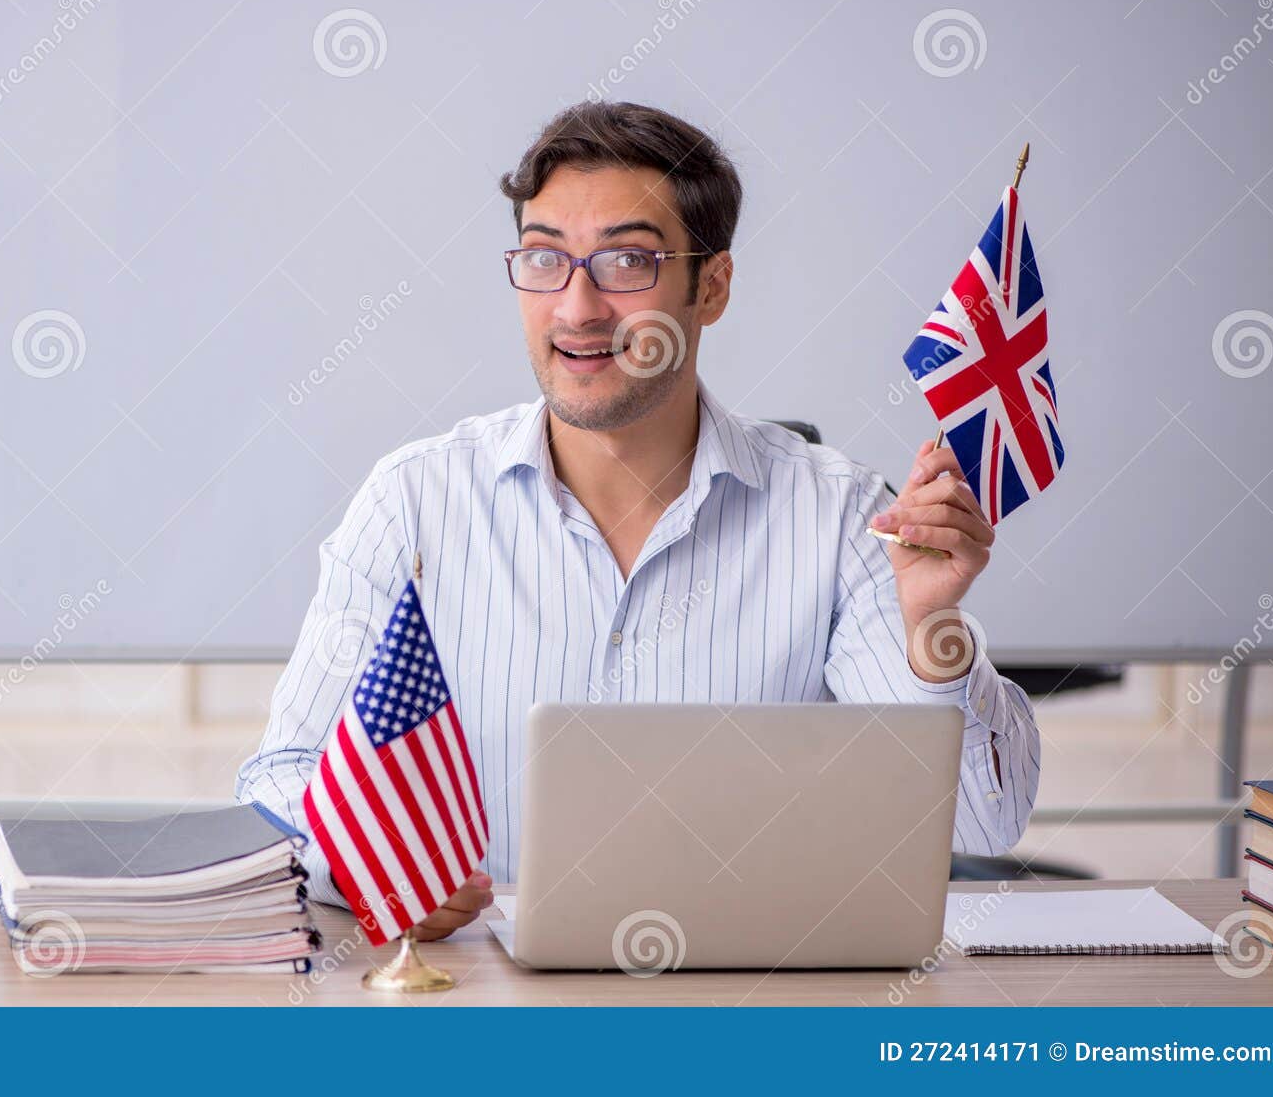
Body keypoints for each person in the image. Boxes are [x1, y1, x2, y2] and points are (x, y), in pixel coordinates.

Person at [237, 100, 1039, 941]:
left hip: (746, 1010)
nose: (577, 309)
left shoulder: (842, 517)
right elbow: (281, 778)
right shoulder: (413, 503)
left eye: (627, 260)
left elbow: (981, 827)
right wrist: (360, 861)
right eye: (545, 258)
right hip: (474, 1004)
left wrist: (930, 629)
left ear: (713, 286)